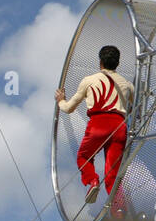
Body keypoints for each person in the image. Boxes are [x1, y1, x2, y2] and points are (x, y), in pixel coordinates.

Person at [55, 45, 135, 205]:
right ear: (117, 63)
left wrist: (60, 100)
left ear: (100, 62)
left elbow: (68, 108)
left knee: (84, 156)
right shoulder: (126, 85)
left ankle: (92, 181)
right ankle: (119, 208)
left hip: (99, 124)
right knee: (113, 171)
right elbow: (136, 105)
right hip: (119, 126)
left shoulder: (89, 80)